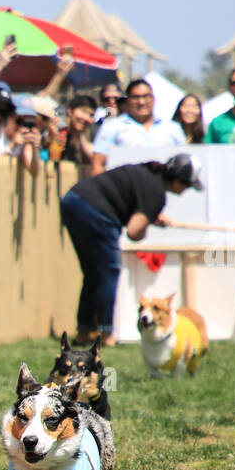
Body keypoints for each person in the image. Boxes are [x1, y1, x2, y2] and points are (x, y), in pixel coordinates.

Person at [61, 153, 204, 345]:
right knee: (108, 272)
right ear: (177, 180)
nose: (186, 190)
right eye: (187, 185)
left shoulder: (148, 172)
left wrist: (150, 217)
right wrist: (151, 220)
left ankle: (84, 332)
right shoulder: (157, 194)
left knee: (93, 273)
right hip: (98, 212)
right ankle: (106, 334)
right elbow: (134, 231)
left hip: (73, 200)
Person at [90, 78, 185, 174]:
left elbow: (184, 163)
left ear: (153, 99)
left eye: (146, 96)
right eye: (136, 97)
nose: (142, 102)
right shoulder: (112, 128)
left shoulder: (173, 128)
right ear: (127, 100)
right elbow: (97, 165)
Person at [61, 94, 96, 175]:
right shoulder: (59, 131)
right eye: (83, 111)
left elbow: (94, 158)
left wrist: (81, 136)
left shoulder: (87, 135)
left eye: (91, 115)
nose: (86, 118)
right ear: (70, 111)